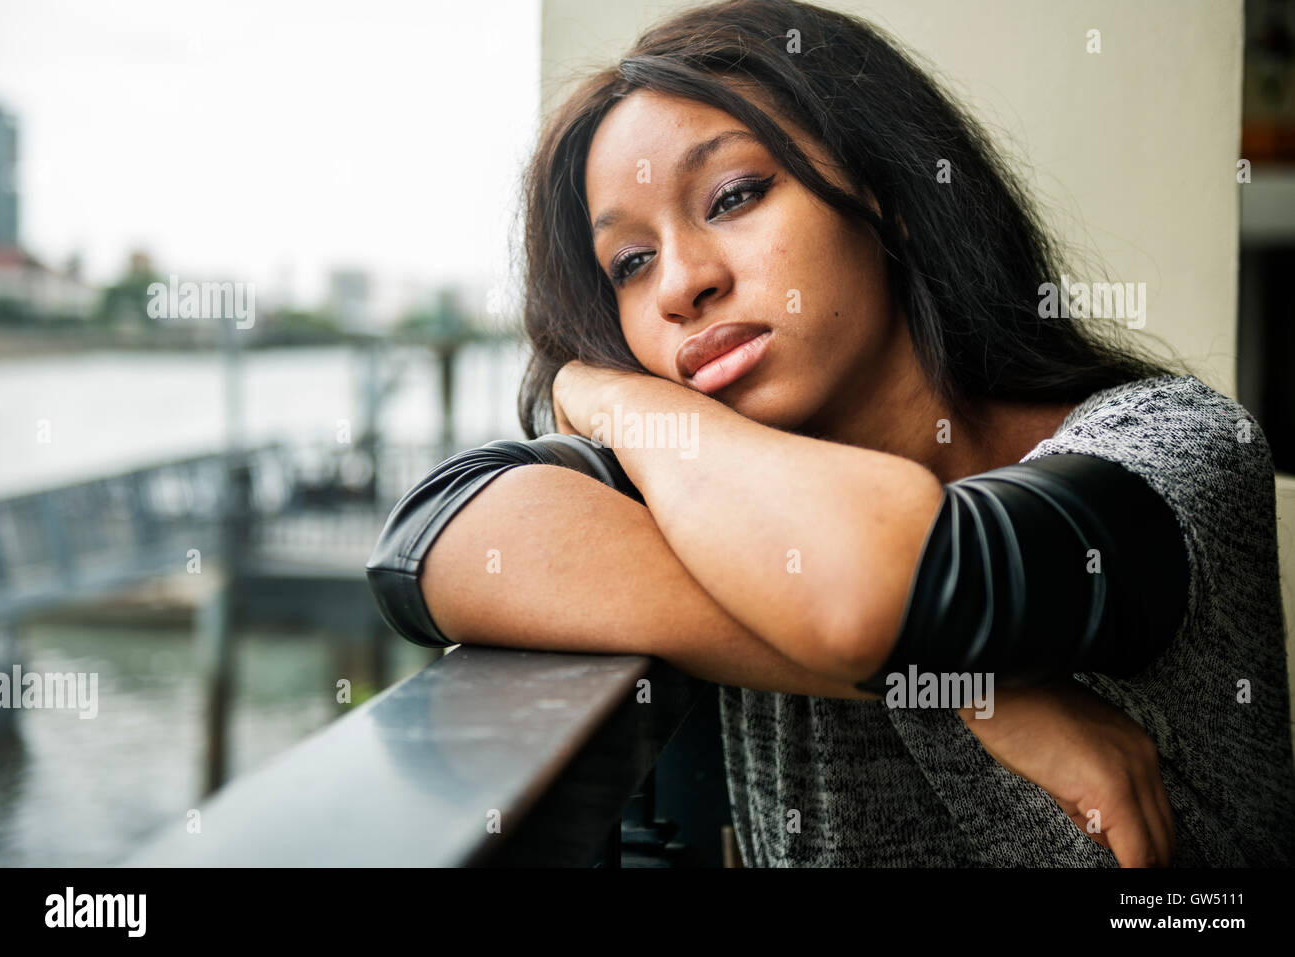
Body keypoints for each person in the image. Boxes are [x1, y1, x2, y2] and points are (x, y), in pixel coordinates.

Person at [365, 0, 1295, 866]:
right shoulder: (718, 499)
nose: (681, 284)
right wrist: (966, 683)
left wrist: (615, 400)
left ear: (882, 185)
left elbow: (878, 589)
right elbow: (428, 538)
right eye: (631, 262)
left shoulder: (1176, 446)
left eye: (732, 196)